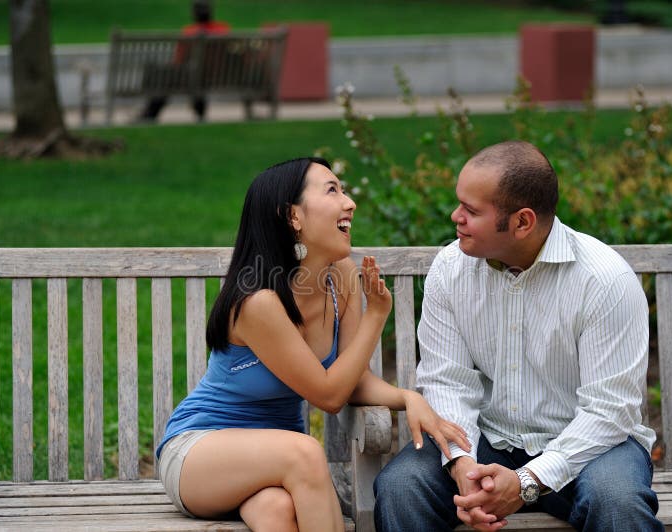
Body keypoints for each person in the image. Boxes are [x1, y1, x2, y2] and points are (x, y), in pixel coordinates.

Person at [156, 157, 470, 531]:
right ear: (293, 217)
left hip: (276, 466)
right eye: (332, 190)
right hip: (201, 452)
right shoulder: (258, 303)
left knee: (277, 512)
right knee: (304, 451)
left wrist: (409, 398)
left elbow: (353, 382)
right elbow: (329, 395)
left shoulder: (342, 276)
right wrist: (376, 316)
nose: (350, 202)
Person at [374, 141, 664, 532]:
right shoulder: (451, 269)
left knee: (619, 503)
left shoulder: (603, 280)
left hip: (588, 449)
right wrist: (463, 465)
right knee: (401, 487)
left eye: (471, 210)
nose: (455, 216)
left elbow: (607, 412)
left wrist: (527, 481)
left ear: (522, 222)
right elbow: (447, 381)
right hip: (485, 440)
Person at [138, 0, 230, 122]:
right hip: (219, 75)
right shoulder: (223, 29)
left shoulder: (190, 32)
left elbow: (179, 60)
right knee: (176, 77)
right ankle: (198, 112)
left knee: (166, 78)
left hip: (194, 77)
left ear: (194, 14)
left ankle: (151, 112)